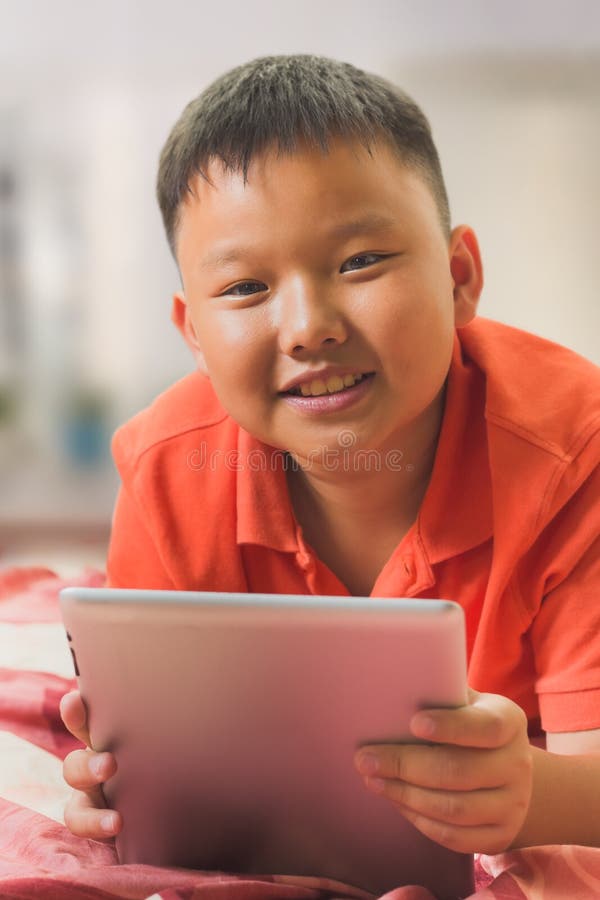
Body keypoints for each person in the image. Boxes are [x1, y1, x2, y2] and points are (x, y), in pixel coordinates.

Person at [60, 54, 600, 858]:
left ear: (459, 278)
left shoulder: (570, 455)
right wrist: (121, 782)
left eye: (359, 263)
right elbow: (172, 774)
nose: (309, 326)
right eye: (246, 289)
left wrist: (530, 795)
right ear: (193, 336)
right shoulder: (168, 470)